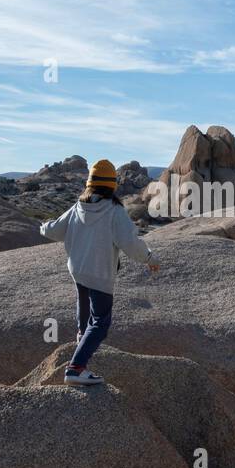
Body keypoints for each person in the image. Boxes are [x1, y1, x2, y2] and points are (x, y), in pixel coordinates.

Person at [39, 159, 159, 385]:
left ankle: (81, 339)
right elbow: (130, 243)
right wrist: (150, 258)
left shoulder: (78, 206)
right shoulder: (114, 211)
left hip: (78, 269)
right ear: (112, 185)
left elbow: (54, 230)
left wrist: (43, 226)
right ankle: (76, 368)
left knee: (83, 304)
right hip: (98, 273)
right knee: (101, 322)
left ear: (90, 184)